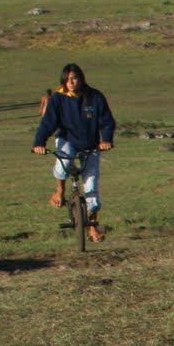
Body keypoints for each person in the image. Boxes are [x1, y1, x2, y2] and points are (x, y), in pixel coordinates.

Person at [31, 63, 116, 243]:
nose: (71, 82)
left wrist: (106, 139)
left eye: (74, 78)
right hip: (67, 139)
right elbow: (48, 122)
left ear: (81, 78)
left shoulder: (95, 97)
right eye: (67, 78)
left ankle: (92, 227)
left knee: (91, 185)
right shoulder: (58, 98)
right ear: (63, 80)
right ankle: (59, 190)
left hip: (91, 144)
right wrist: (39, 142)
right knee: (64, 163)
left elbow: (107, 121)